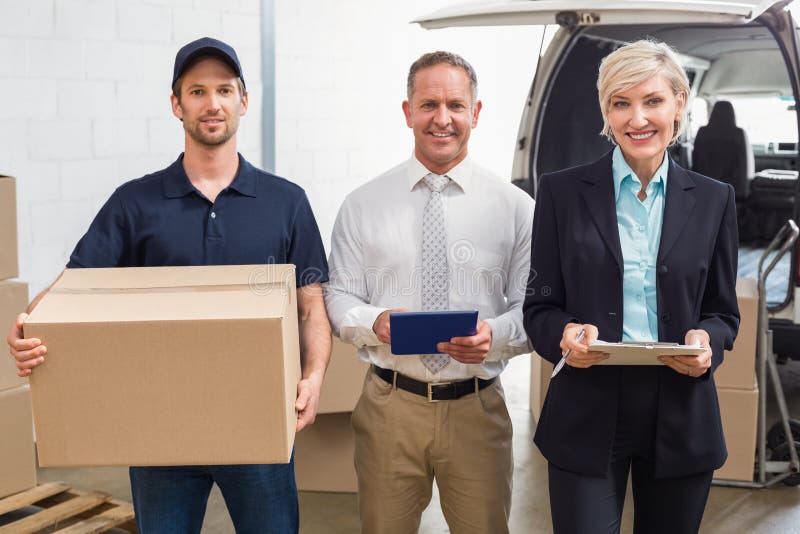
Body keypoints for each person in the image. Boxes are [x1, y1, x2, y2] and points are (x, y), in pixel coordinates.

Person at [6, 37, 331, 534]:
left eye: (225, 90)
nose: (212, 103)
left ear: (244, 101)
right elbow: (70, 290)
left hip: (259, 426)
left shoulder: (286, 202)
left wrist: (313, 377)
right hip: (161, 433)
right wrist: (31, 325)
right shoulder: (134, 204)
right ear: (176, 104)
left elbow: (311, 309)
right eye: (197, 91)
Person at [523, 40, 739, 534]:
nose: (636, 118)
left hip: (681, 412)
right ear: (605, 112)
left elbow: (723, 313)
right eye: (621, 103)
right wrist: (564, 335)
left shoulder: (713, 200)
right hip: (586, 410)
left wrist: (708, 342)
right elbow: (539, 307)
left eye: (652, 101)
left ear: (679, 104)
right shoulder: (560, 193)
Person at [324, 51, 535, 534]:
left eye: (456, 105)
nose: (443, 119)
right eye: (429, 104)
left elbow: (534, 309)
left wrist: (494, 335)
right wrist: (372, 322)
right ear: (408, 112)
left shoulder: (516, 208)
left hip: (477, 410)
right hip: (390, 409)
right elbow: (338, 296)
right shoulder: (362, 205)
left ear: (476, 114)